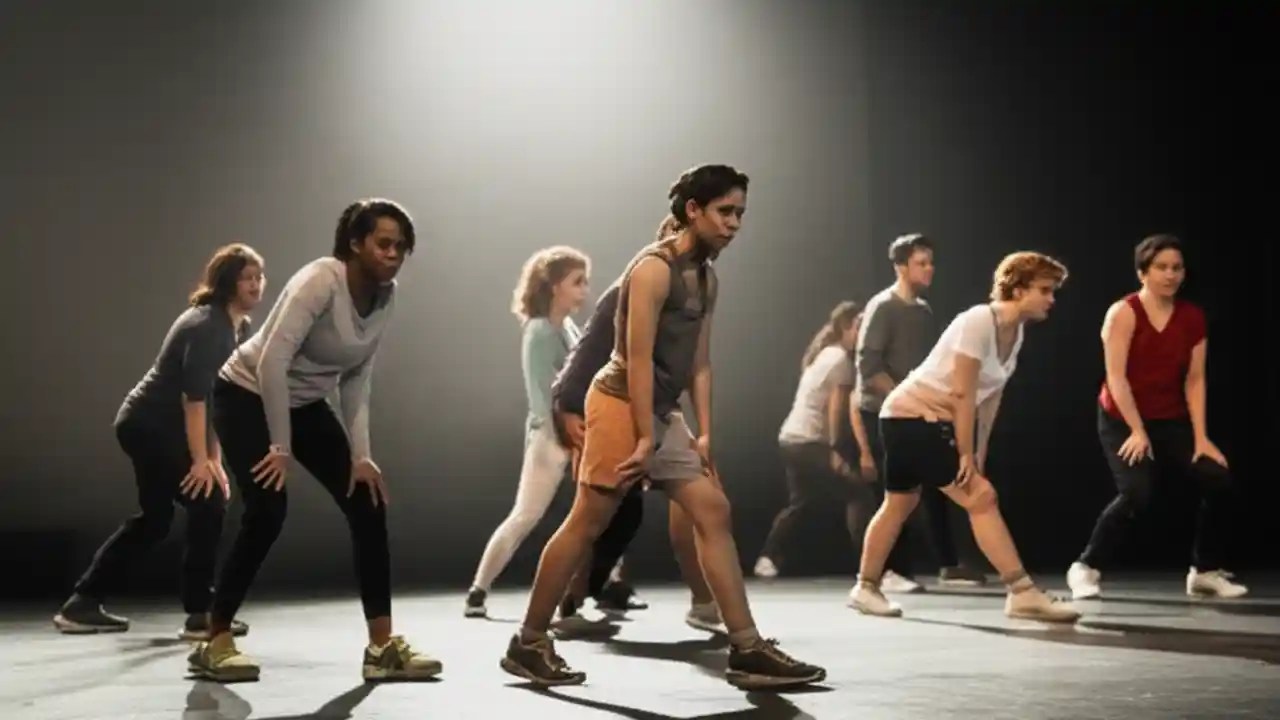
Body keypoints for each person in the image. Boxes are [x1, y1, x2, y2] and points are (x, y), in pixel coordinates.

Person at [499, 164, 825, 689]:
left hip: (659, 409)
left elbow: (699, 362)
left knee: (713, 509)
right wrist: (646, 435)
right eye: (725, 211)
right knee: (587, 523)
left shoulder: (706, 276)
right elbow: (637, 356)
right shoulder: (652, 269)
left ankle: (747, 649)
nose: (735, 223)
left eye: (740, 213)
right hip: (618, 403)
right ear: (692, 211)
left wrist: (705, 431)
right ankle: (529, 642)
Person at [186, 199, 440, 683]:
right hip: (245, 393)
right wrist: (280, 447)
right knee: (267, 508)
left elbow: (357, 377)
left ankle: (382, 649)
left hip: (303, 404)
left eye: (401, 248)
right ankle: (214, 640)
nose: (393, 255)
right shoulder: (319, 281)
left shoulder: (387, 296)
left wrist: (361, 456)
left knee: (367, 502)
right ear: (355, 244)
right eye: (384, 243)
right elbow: (271, 363)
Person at [849, 251, 1080, 624]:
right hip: (912, 417)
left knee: (900, 504)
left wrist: (977, 456)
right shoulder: (978, 320)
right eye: (1045, 290)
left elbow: (989, 401)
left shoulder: (1015, 332)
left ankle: (865, 587)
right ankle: (1022, 592)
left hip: (916, 419)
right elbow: (962, 393)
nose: (1051, 299)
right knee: (981, 498)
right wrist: (965, 457)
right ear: (1018, 290)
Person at [54, 244, 265, 640]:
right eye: (247, 278)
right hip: (150, 425)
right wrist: (200, 461)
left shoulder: (239, 327)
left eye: (259, 277)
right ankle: (201, 613)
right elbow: (195, 398)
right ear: (227, 282)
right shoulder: (208, 326)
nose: (256, 285)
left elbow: (222, 396)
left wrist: (214, 460)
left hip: (162, 427)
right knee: (209, 503)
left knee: (156, 520)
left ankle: (82, 603)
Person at [552, 216, 722, 635]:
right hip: (607, 406)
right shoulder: (638, 284)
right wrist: (568, 410)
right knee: (599, 515)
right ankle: (558, 612)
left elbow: (689, 365)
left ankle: (705, 602)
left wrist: (696, 430)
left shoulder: (691, 291)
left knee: (693, 502)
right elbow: (590, 355)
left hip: (652, 410)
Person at [1067, 235, 1247, 600]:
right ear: (1142, 273)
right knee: (1137, 492)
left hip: (1169, 417)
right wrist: (1136, 429)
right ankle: (1085, 567)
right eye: (1161, 268)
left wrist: (1201, 437)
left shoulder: (1193, 317)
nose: (1170, 275)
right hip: (1121, 417)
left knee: (1217, 479)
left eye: (1176, 268)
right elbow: (1115, 377)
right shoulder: (1124, 312)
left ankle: (1205, 571)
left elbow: (1195, 379)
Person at [844, 233, 986, 593]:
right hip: (883, 411)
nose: (929, 269)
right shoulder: (883, 306)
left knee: (941, 484)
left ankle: (948, 564)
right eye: (922, 262)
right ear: (901, 266)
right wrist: (905, 398)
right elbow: (868, 365)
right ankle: (889, 572)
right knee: (896, 492)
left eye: (931, 262)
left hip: (922, 412)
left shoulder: (924, 311)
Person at [465, 247, 590, 617]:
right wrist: (566, 441)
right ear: (554, 287)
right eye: (577, 282)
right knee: (526, 515)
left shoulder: (568, 327)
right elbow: (542, 396)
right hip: (549, 438)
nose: (585, 289)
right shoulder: (538, 331)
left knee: (595, 513)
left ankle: (597, 587)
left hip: (576, 433)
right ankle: (478, 590)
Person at [756, 301, 877, 575]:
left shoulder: (824, 354)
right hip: (807, 441)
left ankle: (768, 557)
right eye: (859, 326)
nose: (863, 332)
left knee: (801, 502)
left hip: (790, 439)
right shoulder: (840, 360)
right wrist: (835, 450)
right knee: (859, 493)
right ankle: (872, 568)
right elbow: (837, 409)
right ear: (846, 328)